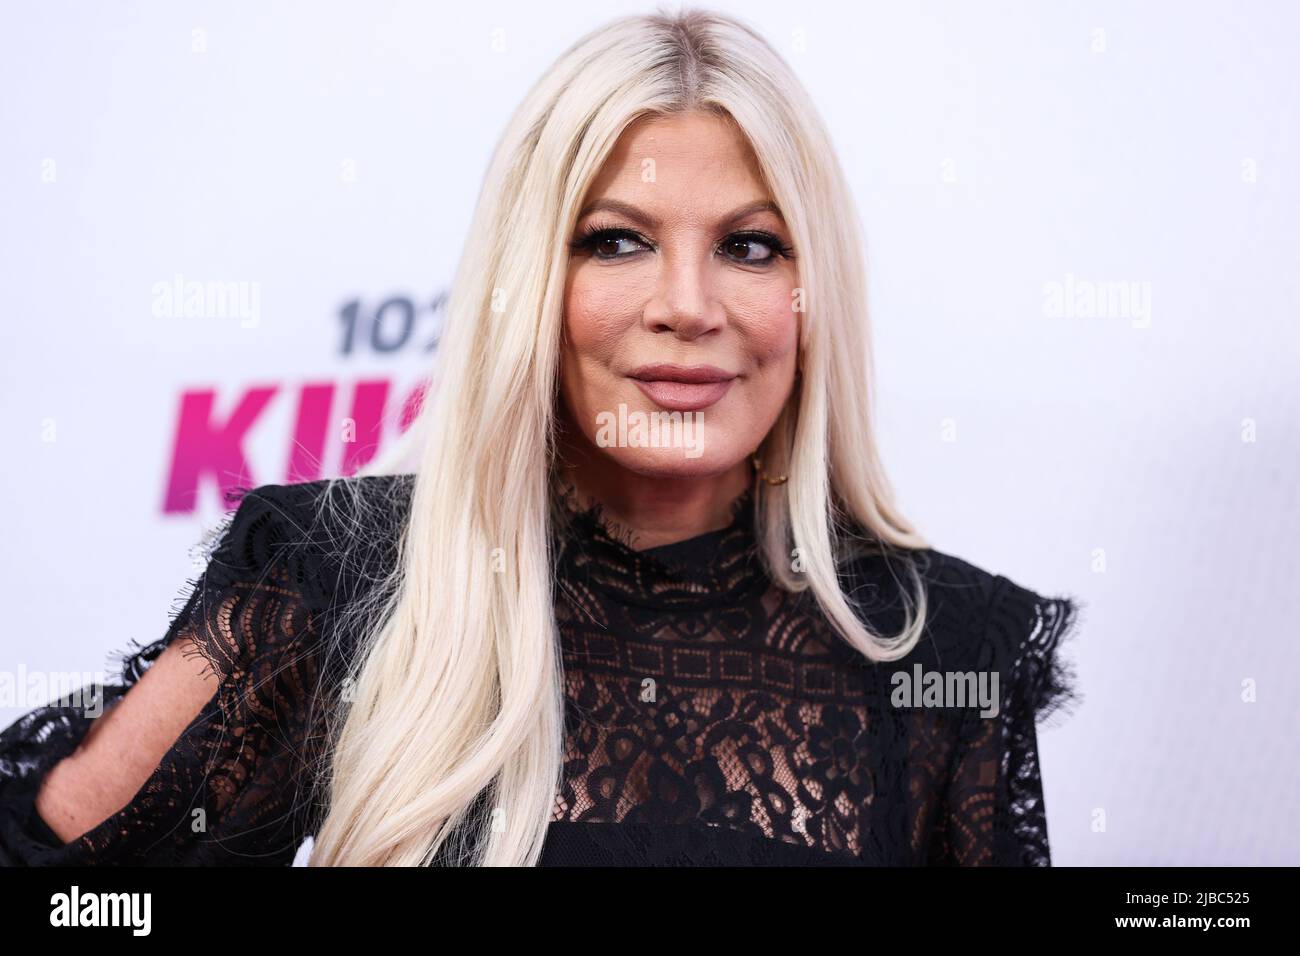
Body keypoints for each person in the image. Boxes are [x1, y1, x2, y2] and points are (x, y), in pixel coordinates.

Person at [0, 8, 1080, 867]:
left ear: (812, 295)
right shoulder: (342, 576)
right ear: (528, 286)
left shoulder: (948, 649)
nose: (688, 303)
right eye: (617, 241)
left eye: (750, 248)